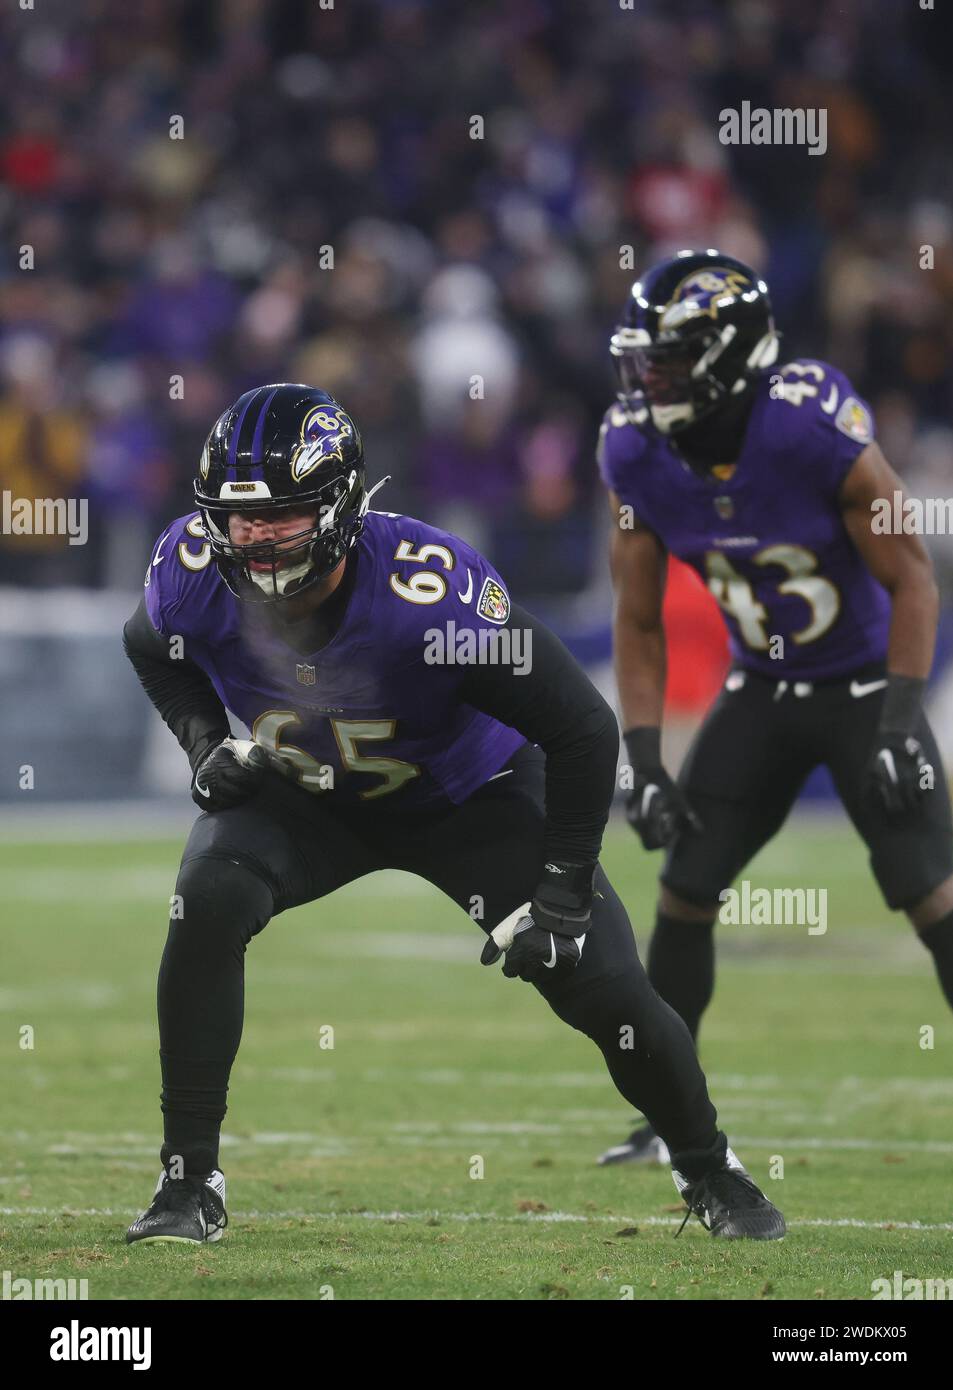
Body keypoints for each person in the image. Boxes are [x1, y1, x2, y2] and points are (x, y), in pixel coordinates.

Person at [121, 382, 785, 1241]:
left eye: (281, 513)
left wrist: (562, 893)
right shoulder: (193, 572)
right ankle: (186, 1184)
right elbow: (153, 649)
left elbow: (581, 728)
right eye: (237, 516)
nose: (253, 536)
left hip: (469, 794)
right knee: (205, 899)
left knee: (602, 989)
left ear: (337, 504)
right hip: (307, 793)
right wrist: (205, 740)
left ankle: (708, 1168)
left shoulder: (427, 593)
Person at [596, 250, 953, 1167]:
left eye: (669, 360)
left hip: (865, 682)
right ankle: (668, 1120)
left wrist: (899, 719)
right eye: (645, 359)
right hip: (759, 686)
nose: (650, 379)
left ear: (729, 355)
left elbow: (912, 578)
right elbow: (636, 620)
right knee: (683, 888)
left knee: (929, 893)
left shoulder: (806, 427)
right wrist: (641, 758)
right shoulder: (635, 448)